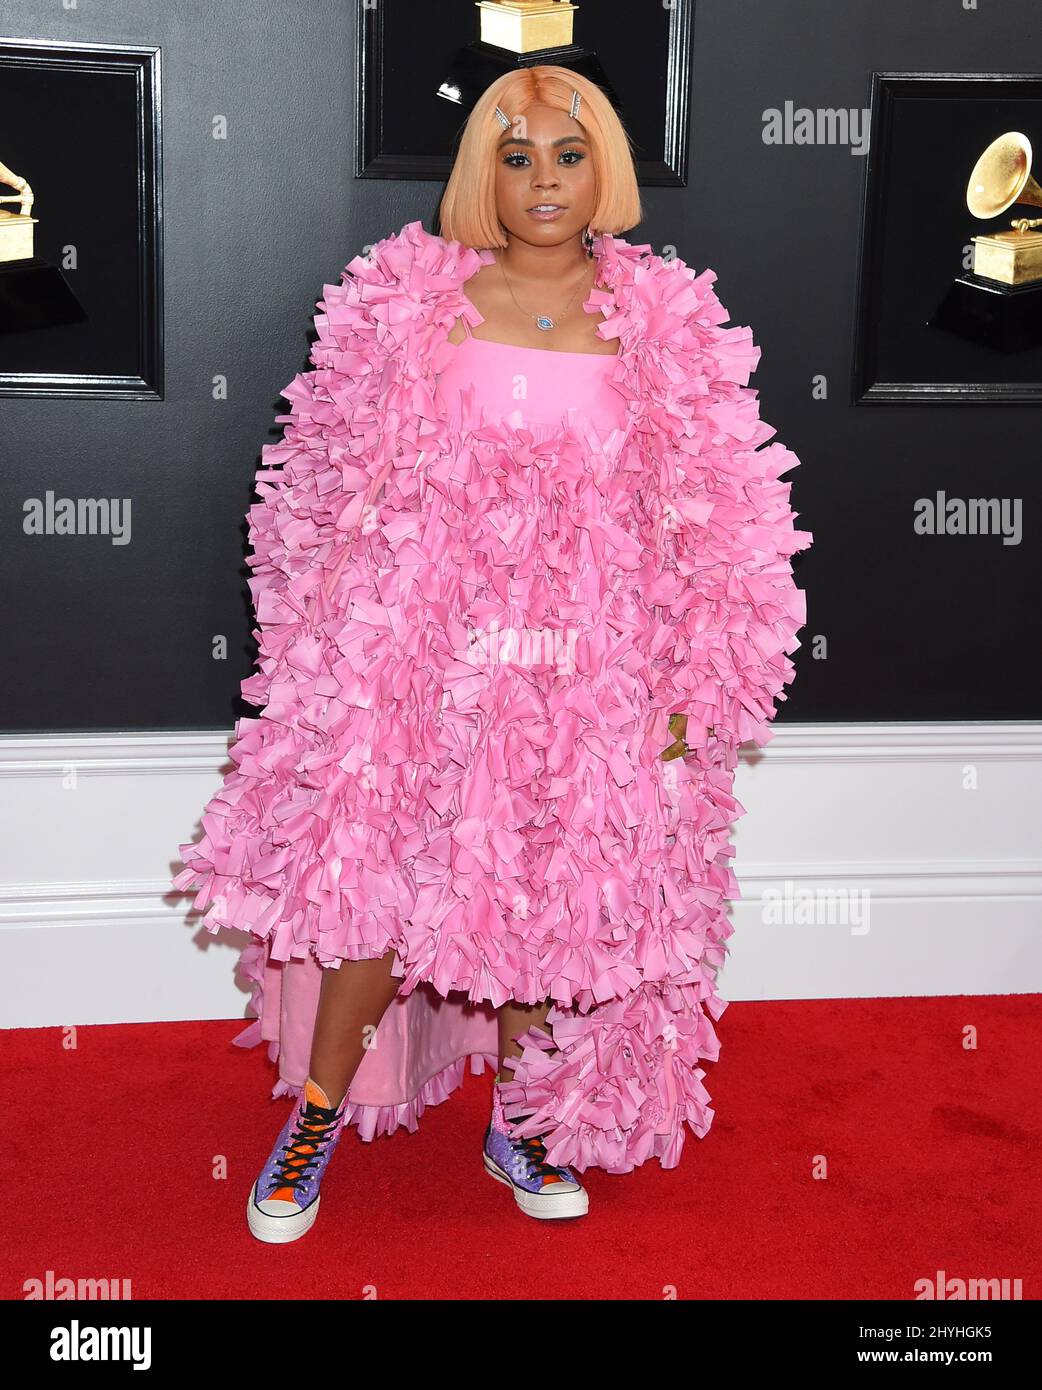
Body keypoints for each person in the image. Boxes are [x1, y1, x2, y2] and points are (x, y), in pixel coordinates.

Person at [174, 65, 812, 1243]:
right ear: (483, 175)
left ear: (603, 168)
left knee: (539, 900)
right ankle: (316, 1112)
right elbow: (322, 488)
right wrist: (320, 660)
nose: (543, 181)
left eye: (567, 156)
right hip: (414, 662)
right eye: (515, 159)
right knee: (374, 894)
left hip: (585, 673)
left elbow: (721, 520)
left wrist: (693, 682)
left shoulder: (664, 318)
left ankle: (518, 1118)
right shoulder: (407, 300)